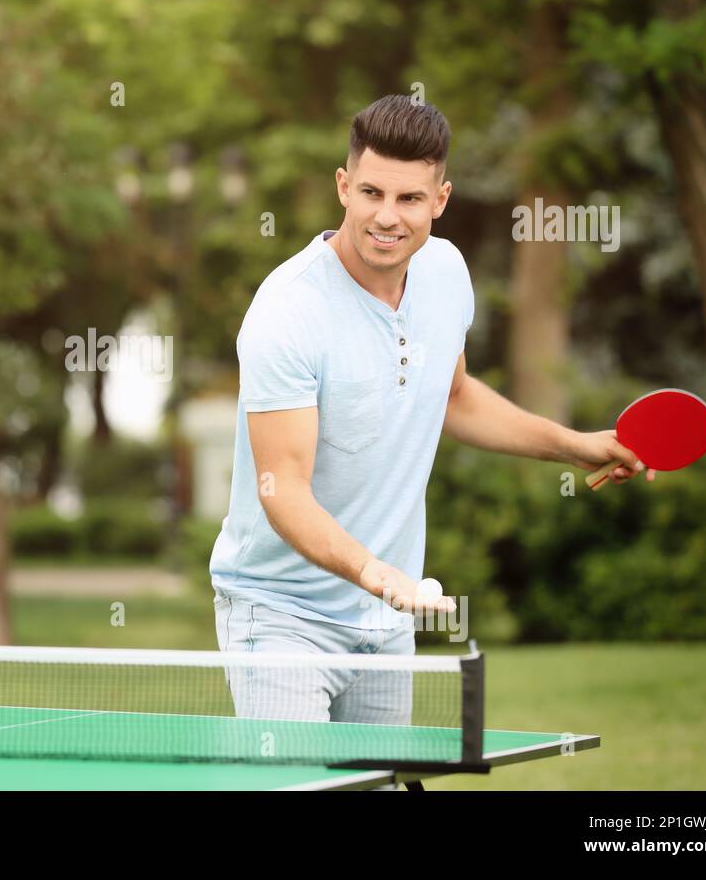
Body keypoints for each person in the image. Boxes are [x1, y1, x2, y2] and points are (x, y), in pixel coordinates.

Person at [211, 94, 648, 724]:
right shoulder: (287, 313)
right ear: (344, 189)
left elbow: (455, 395)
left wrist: (577, 445)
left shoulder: (445, 273)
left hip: (387, 616)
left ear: (440, 200)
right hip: (284, 617)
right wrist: (376, 572)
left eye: (410, 199)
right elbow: (284, 490)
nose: (387, 217)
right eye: (371, 193)